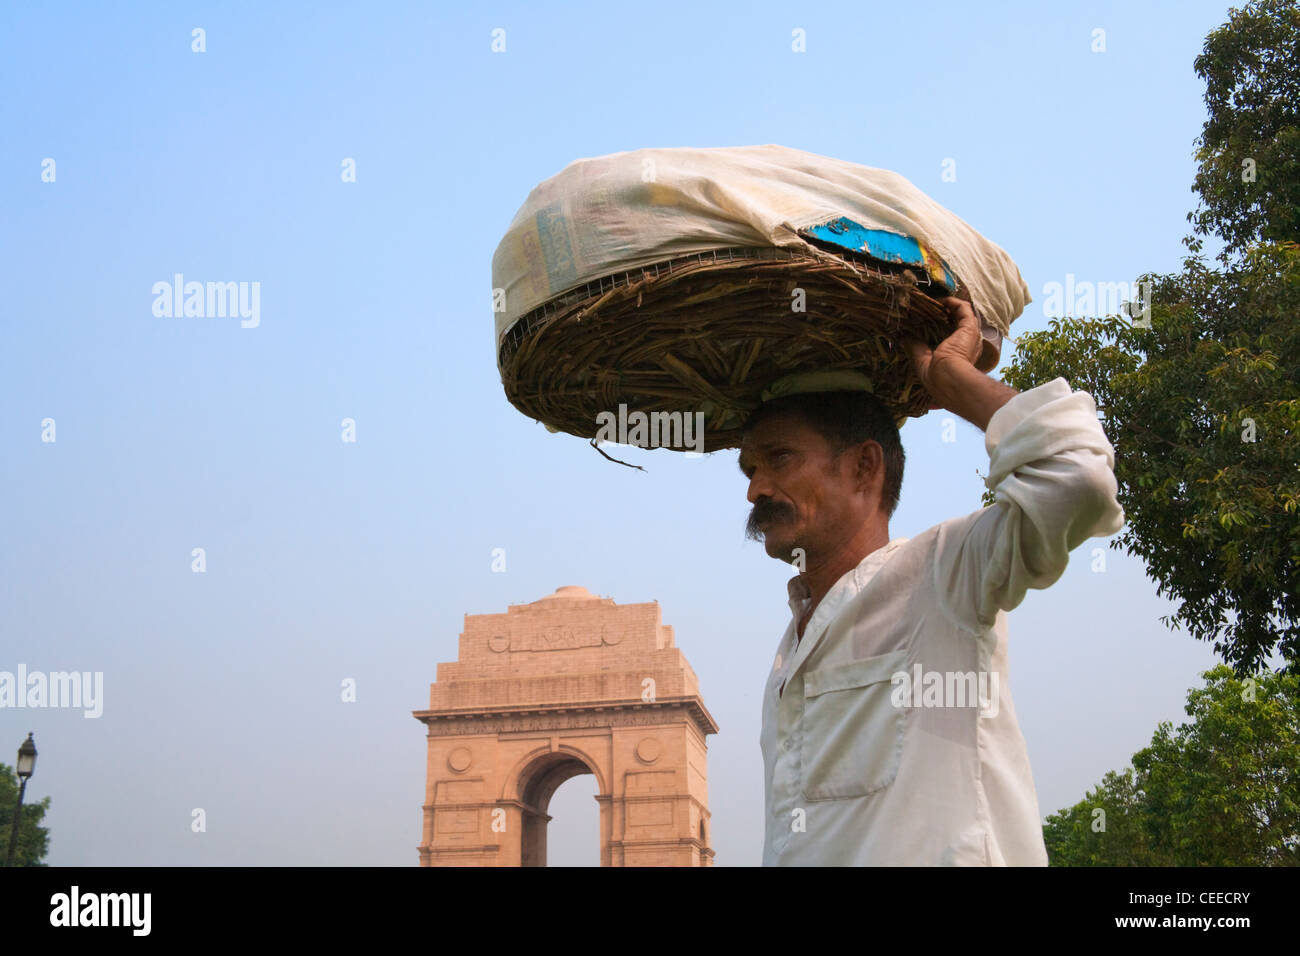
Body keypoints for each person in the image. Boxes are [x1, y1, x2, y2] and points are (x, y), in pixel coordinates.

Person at [739, 296, 1124, 865]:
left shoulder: (944, 571)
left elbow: (1079, 479)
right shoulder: (783, 660)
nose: (755, 490)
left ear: (865, 468)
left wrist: (952, 380)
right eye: (749, 470)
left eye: (779, 459)